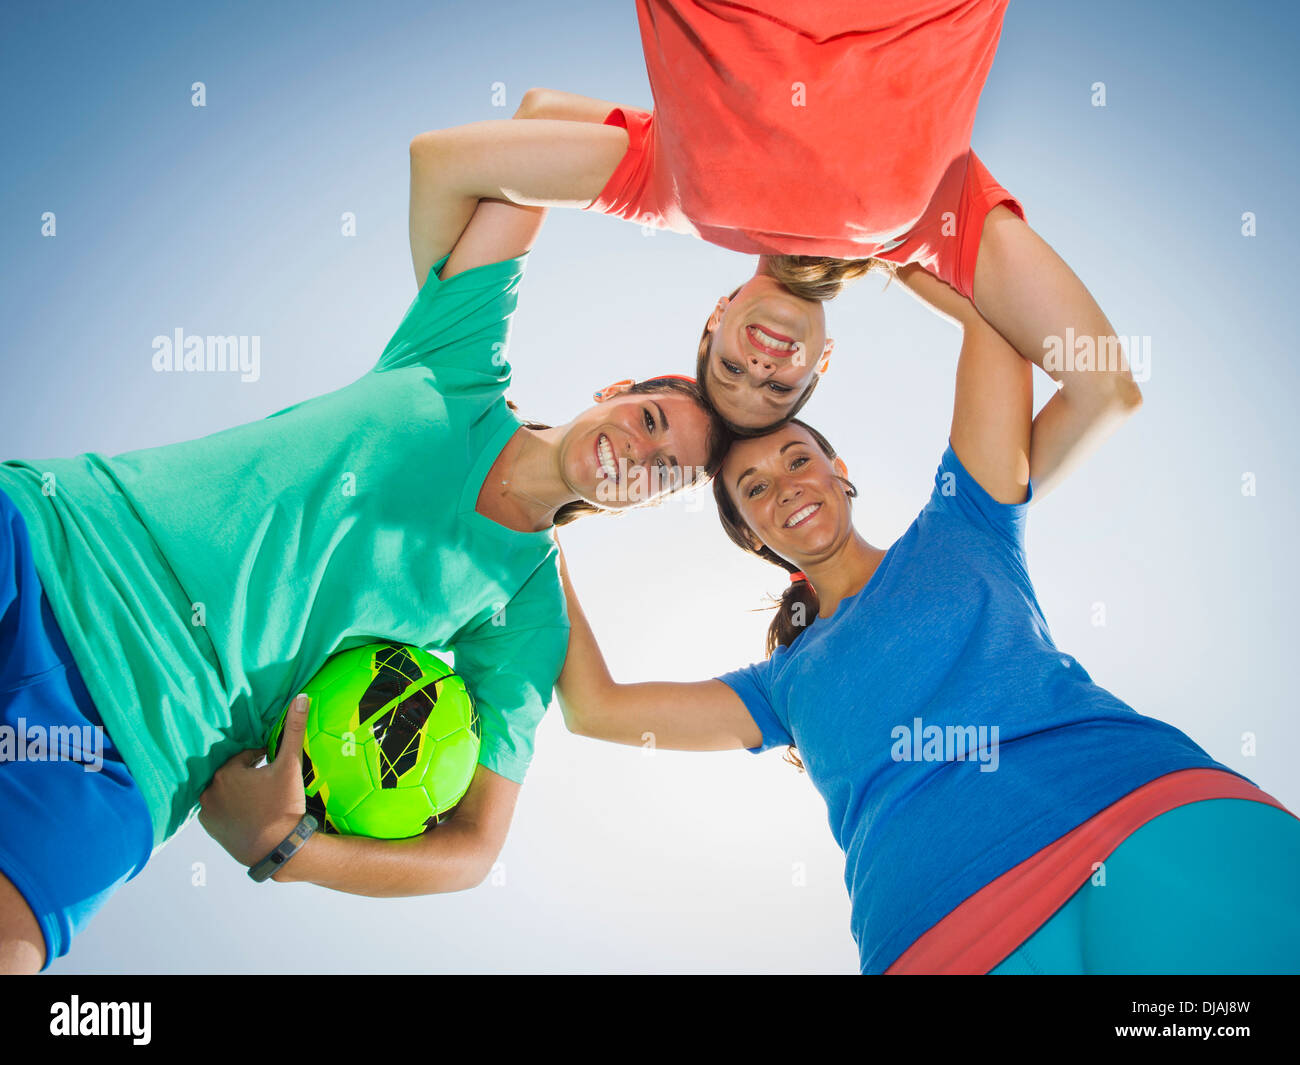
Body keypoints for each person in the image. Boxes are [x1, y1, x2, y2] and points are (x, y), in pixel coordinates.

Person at [0, 107, 730, 974]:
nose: (638, 454)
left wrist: (286, 846)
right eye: (650, 422)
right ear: (614, 391)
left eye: (667, 471)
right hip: (49, 542)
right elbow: (474, 152)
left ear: (655, 504)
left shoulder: (526, 612)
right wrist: (699, 169)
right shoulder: (456, 361)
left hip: (137, 752)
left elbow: (474, 849)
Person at [552, 264, 1300, 974]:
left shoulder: (962, 519)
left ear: (840, 472)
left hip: (1137, 816)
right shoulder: (777, 687)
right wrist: (534, 521)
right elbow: (596, 707)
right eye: (752, 488)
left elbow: (991, 321)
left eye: (797, 460)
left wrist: (875, 247)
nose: (784, 487)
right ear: (754, 536)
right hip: (937, 933)